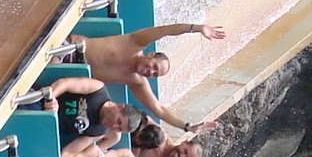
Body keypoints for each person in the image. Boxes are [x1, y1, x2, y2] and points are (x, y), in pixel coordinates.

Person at [66, 20, 227, 133]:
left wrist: (187, 126)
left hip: (67, 72)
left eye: (155, 74)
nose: (151, 72)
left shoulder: (136, 81)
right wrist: (197, 28)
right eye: (154, 67)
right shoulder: (135, 42)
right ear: (150, 55)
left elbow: (159, 110)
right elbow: (165, 31)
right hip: (69, 49)